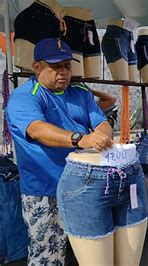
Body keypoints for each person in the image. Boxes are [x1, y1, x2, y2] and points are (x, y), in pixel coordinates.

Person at [6, 38, 113, 265]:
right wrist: (81, 139)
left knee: (90, 248)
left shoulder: (80, 93)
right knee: (47, 253)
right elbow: (37, 130)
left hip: (84, 186)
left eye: (67, 66)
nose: (63, 72)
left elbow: (101, 122)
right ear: (37, 67)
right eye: (55, 67)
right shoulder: (24, 96)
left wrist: (103, 135)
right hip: (45, 189)